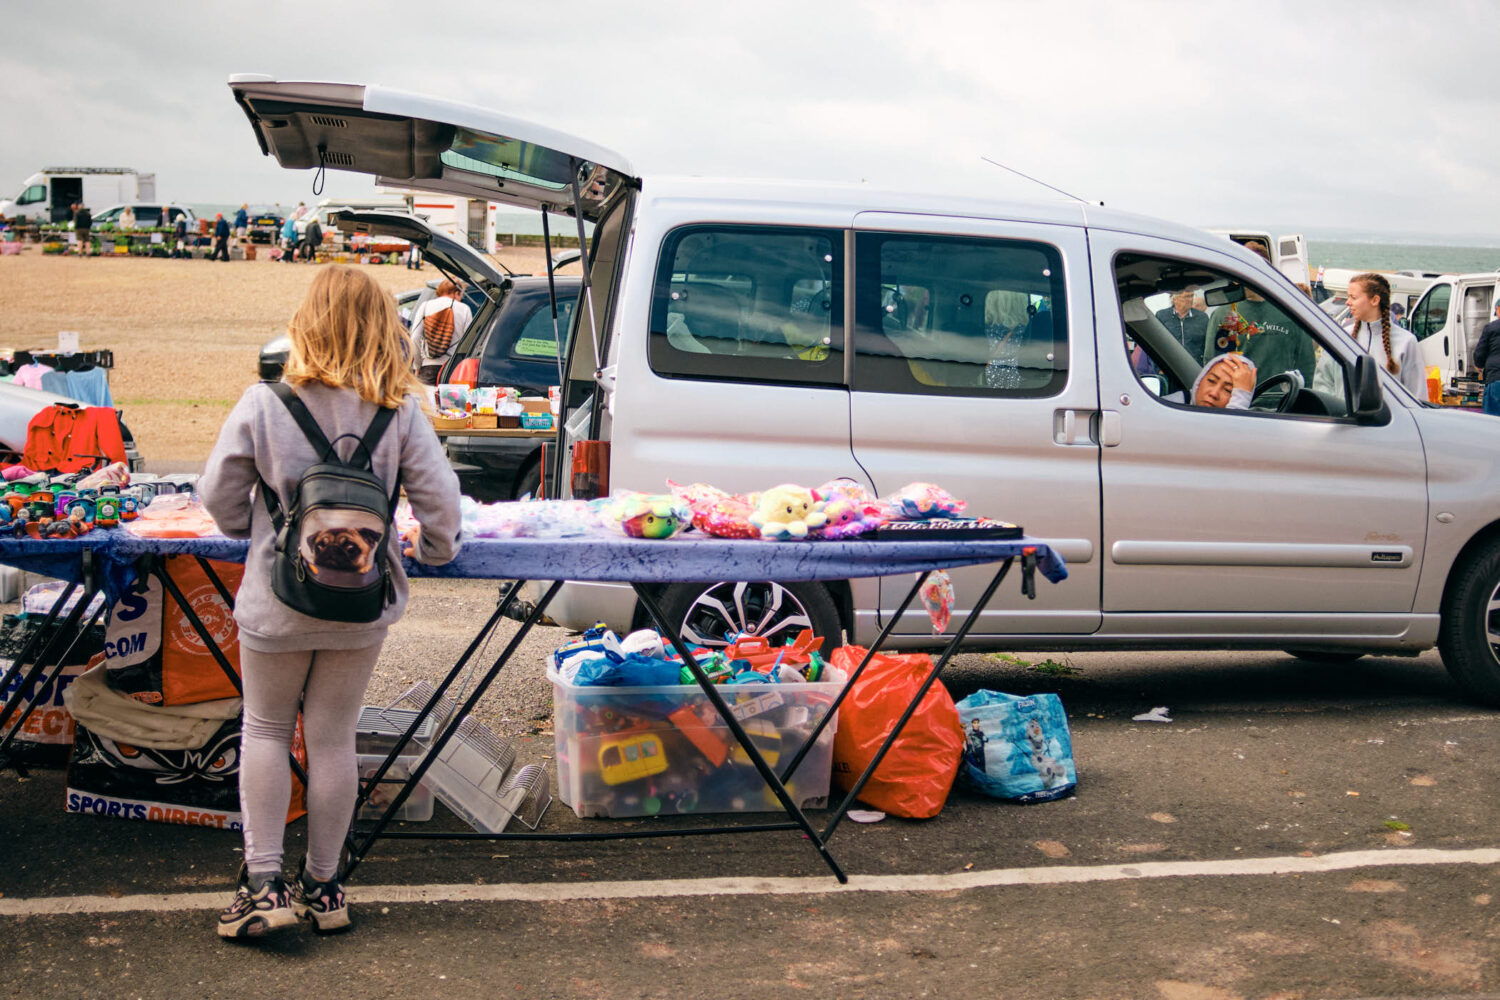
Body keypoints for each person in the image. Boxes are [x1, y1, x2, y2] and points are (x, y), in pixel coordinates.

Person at [200, 266, 461, 939]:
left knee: (264, 728)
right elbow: (441, 505)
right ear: (384, 329)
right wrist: (433, 553)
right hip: (362, 603)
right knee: (333, 737)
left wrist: (248, 532)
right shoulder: (400, 410)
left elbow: (218, 496)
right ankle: (324, 887)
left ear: (307, 323)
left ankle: (264, 884)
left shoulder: (264, 403)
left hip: (276, 600)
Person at [1204, 241, 1315, 382]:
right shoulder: (1222, 314)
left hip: (1281, 401)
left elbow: (1306, 365)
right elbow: (1212, 365)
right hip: (1237, 400)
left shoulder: (1290, 313)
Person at [1345, 271, 1425, 397]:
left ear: (1375, 300)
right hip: (1345, 416)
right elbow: (1325, 381)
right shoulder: (1344, 336)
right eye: (1348, 297)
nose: (1347, 302)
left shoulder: (1406, 341)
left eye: (1353, 297)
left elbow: (1417, 393)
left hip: (1393, 417)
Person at [408, 280, 472, 384]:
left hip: (429, 366)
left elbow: (415, 337)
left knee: (427, 399)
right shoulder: (464, 309)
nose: (461, 299)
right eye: (461, 295)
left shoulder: (425, 306)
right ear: (456, 293)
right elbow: (468, 342)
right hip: (453, 368)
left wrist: (417, 365)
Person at [1191, 352, 1256, 409]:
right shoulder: (1181, 402)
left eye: (1228, 390)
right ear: (1200, 380)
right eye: (1211, 380)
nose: (1214, 394)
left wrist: (1240, 400)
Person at [1155, 289, 1208, 355]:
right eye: (1186, 297)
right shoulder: (1161, 316)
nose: (1191, 300)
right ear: (1174, 299)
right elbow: (1156, 343)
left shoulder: (1202, 317)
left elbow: (1207, 344)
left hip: (1195, 363)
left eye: (1192, 296)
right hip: (1169, 362)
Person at [1470, 300, 1500, 415]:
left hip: (1496, 379)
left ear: (1499, 308)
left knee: (1492, 423)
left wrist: (1478, 365)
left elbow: (1480, 354)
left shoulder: (1491, 328)